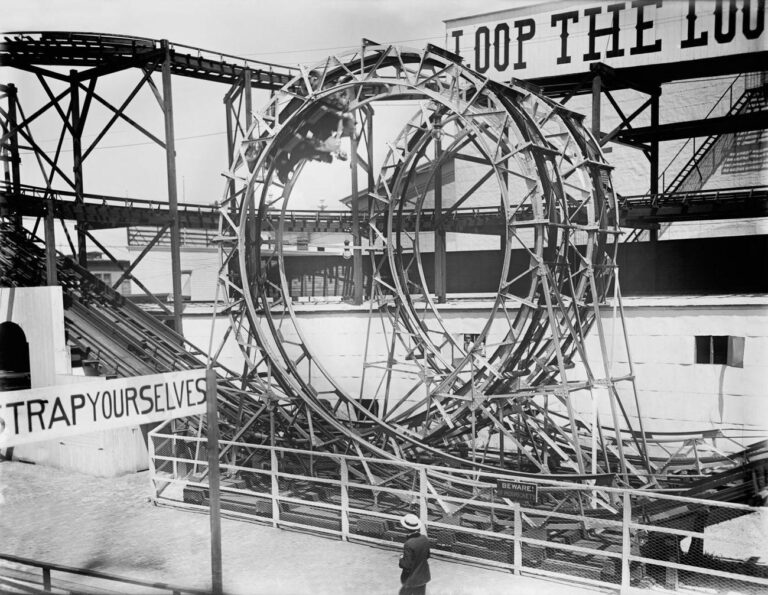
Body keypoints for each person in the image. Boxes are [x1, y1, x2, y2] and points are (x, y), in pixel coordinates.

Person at [398, 514, 431, 595]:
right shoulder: (424, 538)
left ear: (405, 528)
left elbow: (406, 565)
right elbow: (427, 555)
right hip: (423, 576)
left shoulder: (408, 543)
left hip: (411, 578)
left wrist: (401, 559)